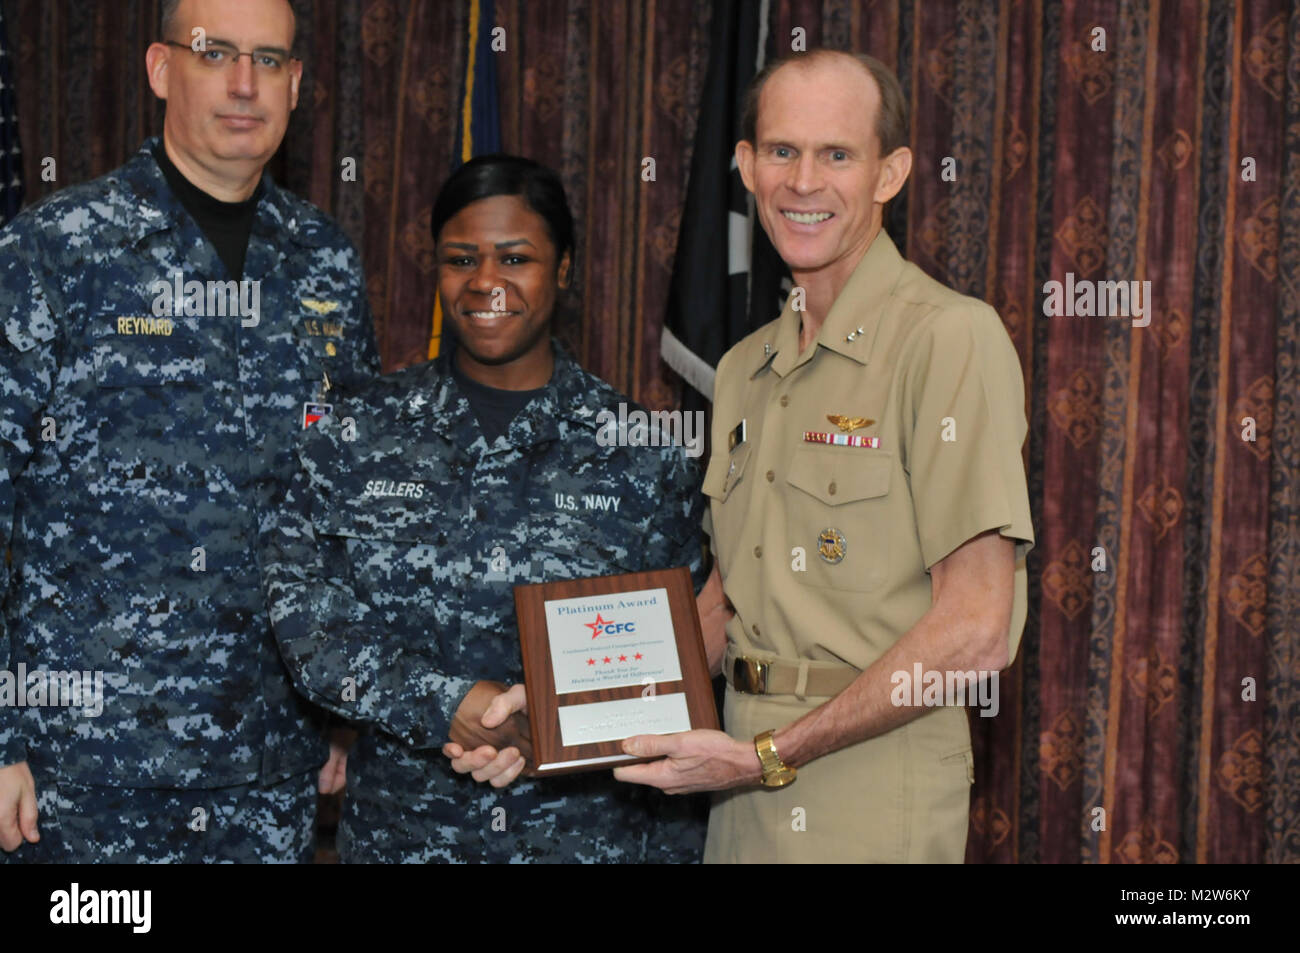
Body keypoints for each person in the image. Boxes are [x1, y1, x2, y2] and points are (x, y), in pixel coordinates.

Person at [614, 48, 1035, 863]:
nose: (803, 181)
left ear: (891, 173)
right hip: (737, 779)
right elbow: (730, 601)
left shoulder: (946, 338)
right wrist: (561, 709)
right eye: (782, 151)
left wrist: (775, 754)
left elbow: (978, 629)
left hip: (870, 779)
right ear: (745, 166)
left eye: (837, 154)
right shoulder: (743, 368)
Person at [0, 0, 378, 862]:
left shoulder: (325, 262)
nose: (245, 84)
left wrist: (342, 706)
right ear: (162, 69)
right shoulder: (53, 252)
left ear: (296, 84)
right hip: (84, 770)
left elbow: (342, 505)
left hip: (269, 765)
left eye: (270, 60)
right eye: (216, 54)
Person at [260, 153, 711, 863]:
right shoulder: (355, 432)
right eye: (461, 258)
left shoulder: (642, 451)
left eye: (515, 257)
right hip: (401, 837)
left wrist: (552, 726)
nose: (486, 282)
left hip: (588, 840)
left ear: (561, 270)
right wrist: (449, 703)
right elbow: (306, 619)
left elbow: (682, 660)